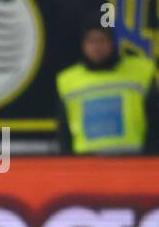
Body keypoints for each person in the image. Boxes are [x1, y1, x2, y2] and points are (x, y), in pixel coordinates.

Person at [56, 24, 159, 154]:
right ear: (83, 45)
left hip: (133, 160)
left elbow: (155, 119)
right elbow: (64, 130)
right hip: (85, 163)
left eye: (101, 40)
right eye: (91, 41)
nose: (96, 46)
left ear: (112, 43)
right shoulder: (68, 80)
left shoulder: (141, 71)